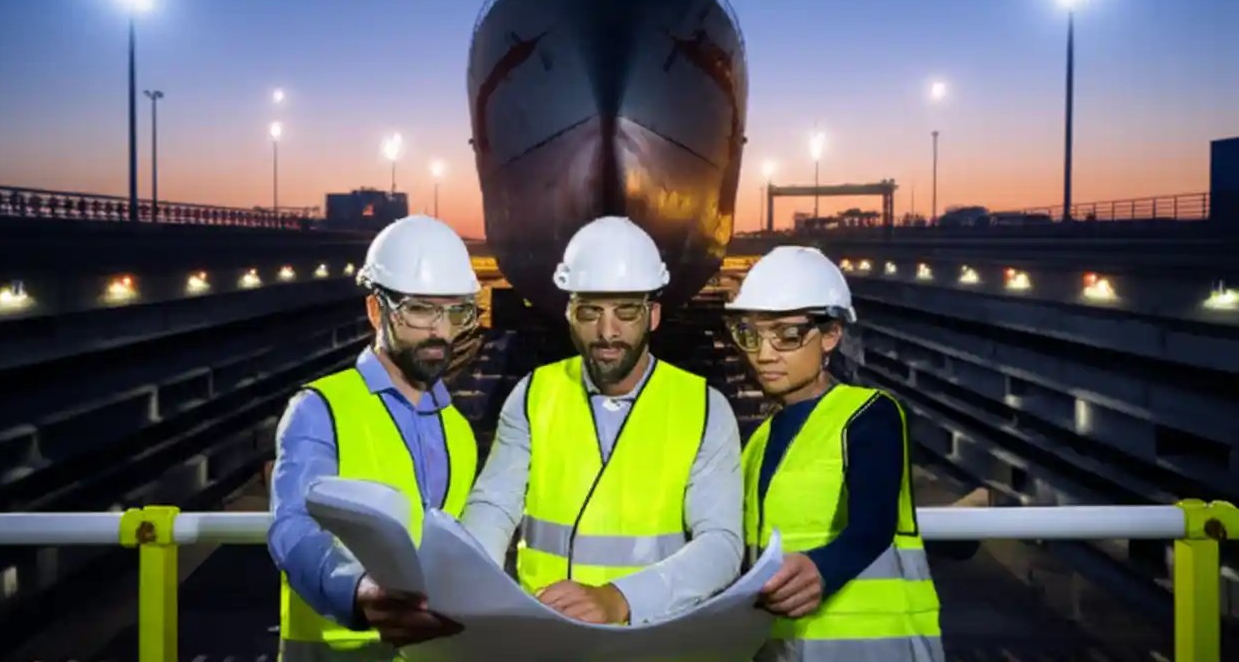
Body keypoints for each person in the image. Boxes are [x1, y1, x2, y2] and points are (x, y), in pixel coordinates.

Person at [460, 215, 744, 626]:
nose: (607, 333)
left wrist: (621, 599)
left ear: (653, 316)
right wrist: (476, 587)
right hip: (546, 635)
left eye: (626, 312)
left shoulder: (703, 407)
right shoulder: (534, 393)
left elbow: (721, 545)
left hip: (652, 637)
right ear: (570, 314)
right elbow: (493, 506)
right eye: (590, 311)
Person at [268, 215, 482, 661]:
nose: (440, 331)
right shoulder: (320, 409)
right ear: (375, 310)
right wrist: (358, 590)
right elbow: (291, 528)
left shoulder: (459, 431)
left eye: (455, 311)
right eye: (420, 309)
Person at [723, 246, 943, 661]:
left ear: (830, 334)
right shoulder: (758, 441)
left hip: (873, 648)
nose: (763, 354)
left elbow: (873, 525)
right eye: (751, 334)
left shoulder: (869, 415)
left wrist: (823, 569)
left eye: (787, 334)